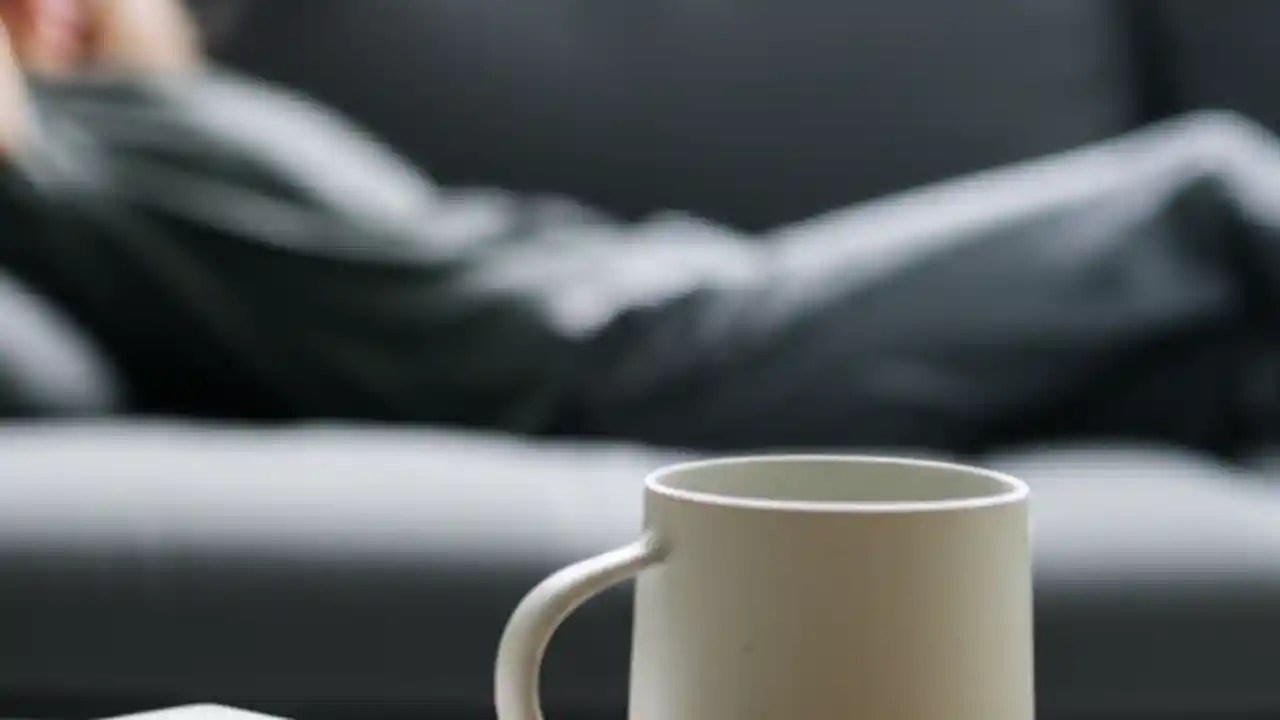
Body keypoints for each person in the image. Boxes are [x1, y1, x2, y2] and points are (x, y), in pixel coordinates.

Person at [1, 0, 1276, 454]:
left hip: (634, 286)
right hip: (607, 355)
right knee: (1206, 198)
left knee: (1191, 350)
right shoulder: (55, 164)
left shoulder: (154, 101)